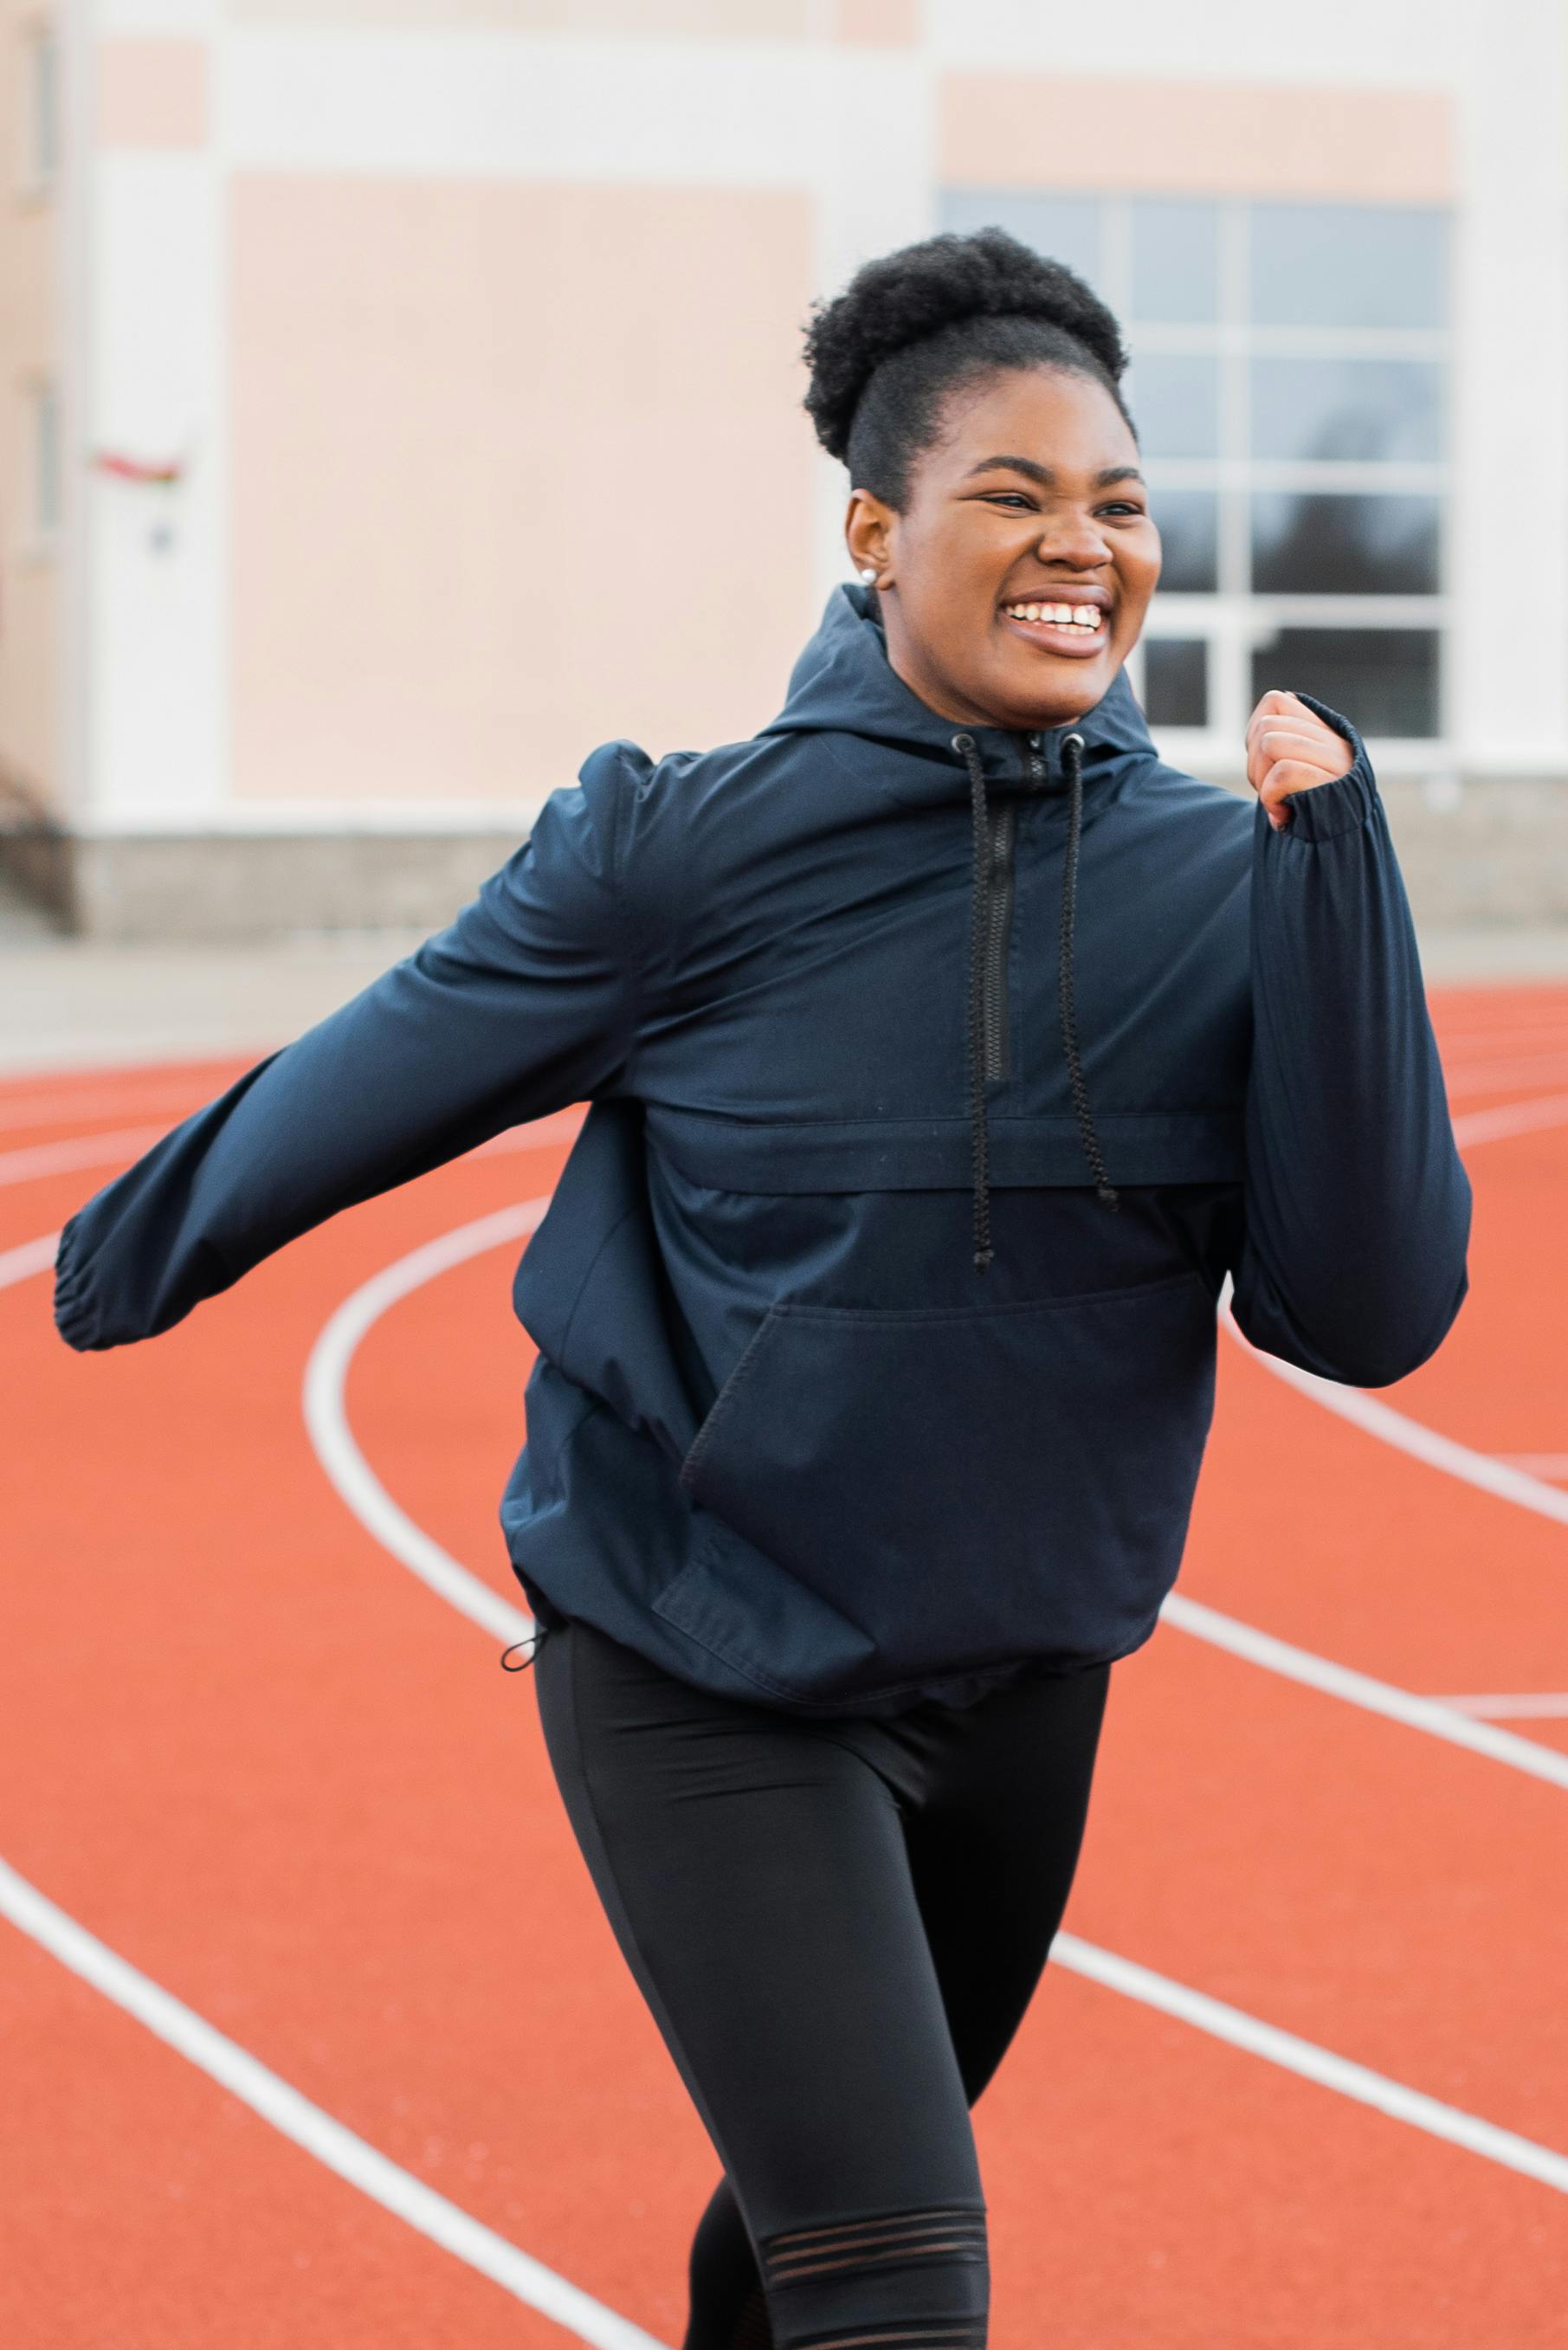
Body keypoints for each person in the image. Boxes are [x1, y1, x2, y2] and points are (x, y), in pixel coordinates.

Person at [53, 228, 1471, 2350]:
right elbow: (368, 1079)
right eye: (1014, 497)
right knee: (901, 2280)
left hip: (1022, 1681)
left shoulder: (1230, 880)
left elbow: (1366, 1312)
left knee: (807, 2244)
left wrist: (1339, 882)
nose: (1081, 548)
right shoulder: (681, 853)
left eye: (1119, 507)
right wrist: (117, 1256)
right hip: (702, 1653)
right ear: (876, 532)